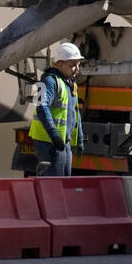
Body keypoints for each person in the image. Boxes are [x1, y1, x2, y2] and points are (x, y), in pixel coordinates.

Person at [28, 41, 83, 177]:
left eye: (78, 64)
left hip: (62, 142)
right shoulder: (48, 81)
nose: (77, 68)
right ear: (59, 64)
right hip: (48, 143)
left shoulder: (71, 84)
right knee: (53, 185)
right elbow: (41, 107)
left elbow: (75, 112)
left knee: (63, 183)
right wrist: (54, 135)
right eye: (72, 65)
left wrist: (79, 139)